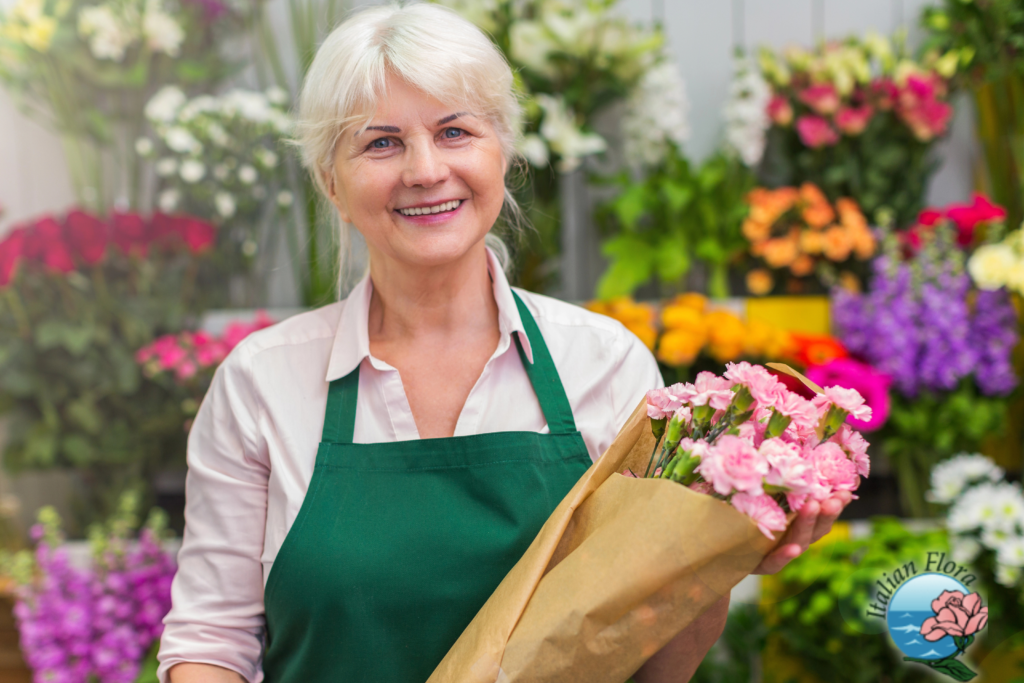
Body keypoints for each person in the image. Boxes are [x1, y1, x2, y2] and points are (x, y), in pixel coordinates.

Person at [157, 4, 851, 682]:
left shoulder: (603, 365)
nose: (426, 169)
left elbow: (650, 660)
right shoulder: (262, 382)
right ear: (330, 182)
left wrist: (719, 551)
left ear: (503, 152)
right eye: (381, 142)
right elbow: (210, 644)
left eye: (455, 131)